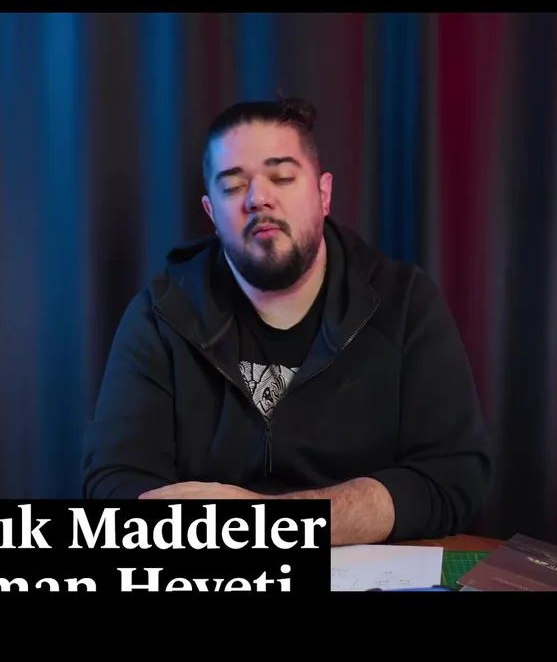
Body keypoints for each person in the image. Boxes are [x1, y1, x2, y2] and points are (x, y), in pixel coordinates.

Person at [82, 97, 492, 546]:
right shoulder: (161, 314)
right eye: (233, 186)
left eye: (281, 177)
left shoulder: (405, 302)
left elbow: (453, 478)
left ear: (324, 193)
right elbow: (113, 481)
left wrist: (274, 523)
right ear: (211, 213)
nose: (259, 198)